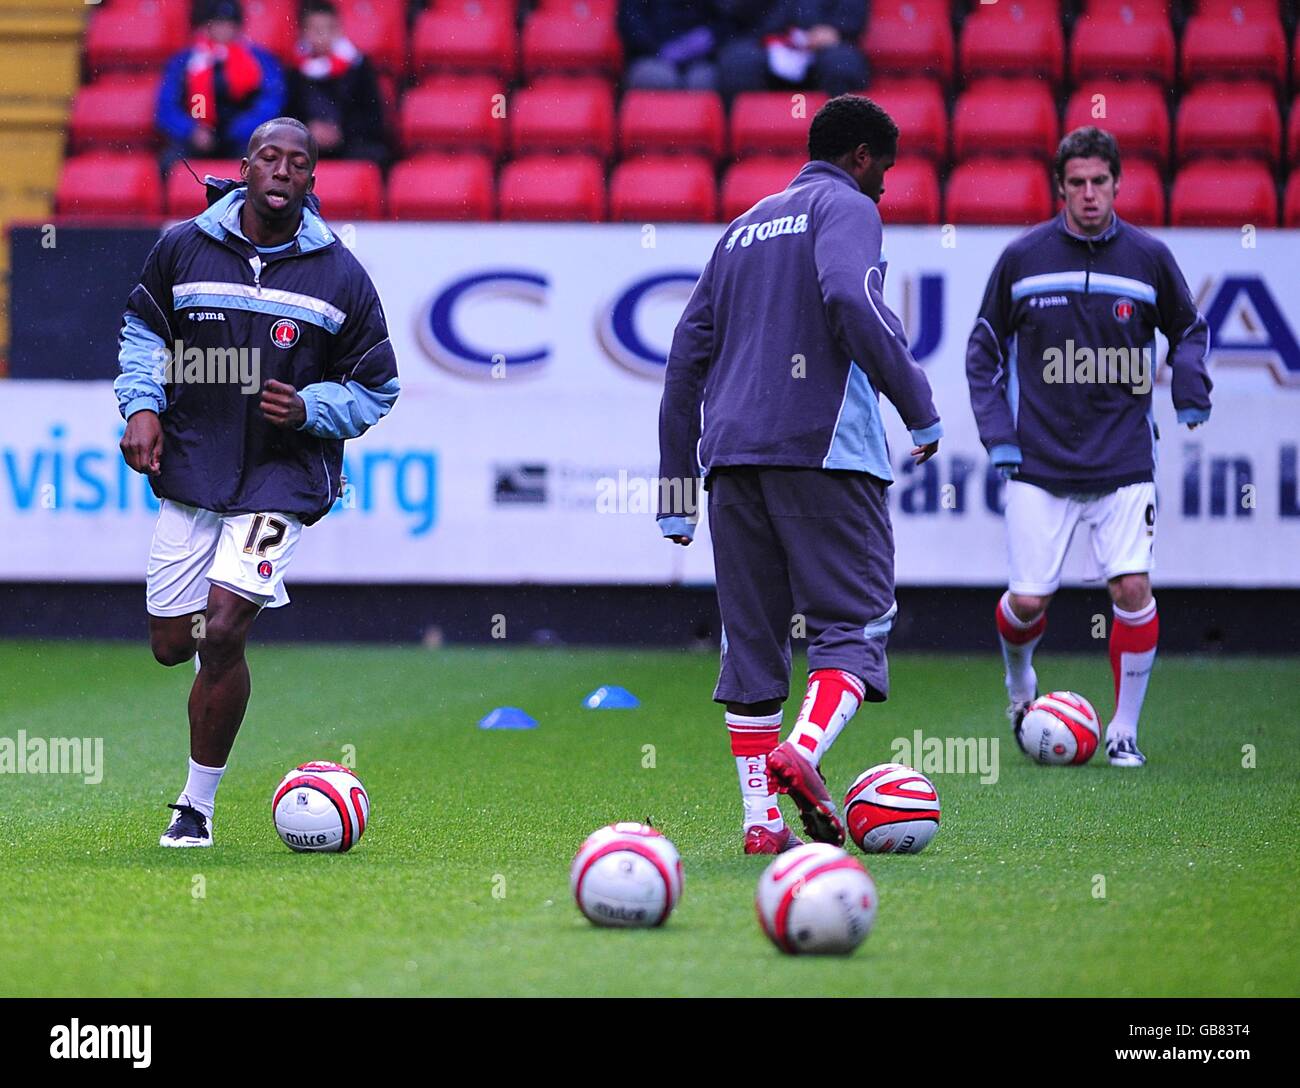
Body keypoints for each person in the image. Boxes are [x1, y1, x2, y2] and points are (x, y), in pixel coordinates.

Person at [657, 95, 942, 854]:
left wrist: (675, 489)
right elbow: (851, 296)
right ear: (859, 156)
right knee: (856, 623)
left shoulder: (742, 225)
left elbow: (685, 359)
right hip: (824, 452)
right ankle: (805, 751)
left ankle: (760, 823)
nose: (885, 183)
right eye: (884, 167)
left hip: (730, 461)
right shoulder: (846, 207)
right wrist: (918, 406)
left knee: (750, 646)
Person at [115, 117, 400, 847]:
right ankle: (201, 756)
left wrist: (313, 408)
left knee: (224, 628)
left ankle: (195, 808)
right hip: (195, 467)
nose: (281, 170)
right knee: (172, 644)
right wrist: (143, 406)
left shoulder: (341, 274)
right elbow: (144, 335)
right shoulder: (183, 247)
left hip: (283, 475)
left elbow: (377, 387)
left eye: (296, 162)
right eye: (268, 157)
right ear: (245, 167)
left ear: (312, 179)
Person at [965, 126, 1212, 768]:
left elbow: (1190, 331)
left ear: (1117, 183)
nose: (1089, 194)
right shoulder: (1023, 259)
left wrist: (1189, 386)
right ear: (1060, 187)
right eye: (1076, 183)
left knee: (1132, 590)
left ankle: (1124, 729)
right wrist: (998, 436)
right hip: (1039, 466)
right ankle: (1020, 681)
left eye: (1099, 181)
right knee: (1027, 602)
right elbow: (982, 352)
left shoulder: (1149, 258)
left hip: (1125, 459)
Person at [156, 0, 286, 171]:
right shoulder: (186, 60)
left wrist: (241, 128)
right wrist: (191, 130)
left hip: (241, 138)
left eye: (229, 24)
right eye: (218, 23)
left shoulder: (258, 59)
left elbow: (272, 101)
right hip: (196, 136)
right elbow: (166, 105)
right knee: (170, 163)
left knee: (258, 164)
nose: (223, 30)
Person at [287, 0, 391, 166]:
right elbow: (287, 114)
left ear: (340, 30)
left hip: (350, 145)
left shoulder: (358, 67)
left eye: (329, 29)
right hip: (306, 146)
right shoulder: (295, 71)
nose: (323, 36)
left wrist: (340, 132)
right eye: (316, 30)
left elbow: (374, 117)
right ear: (303, 32)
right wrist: (307, 129)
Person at [716, 0, 868, 101]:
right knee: (738, 61)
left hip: (823, 47)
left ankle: (838, 141)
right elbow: (736, 13)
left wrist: (836, 30)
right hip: (768, 44)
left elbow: (852, 15)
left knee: (842, 62)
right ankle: (749, 140)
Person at [618, 0, 724, 91]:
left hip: (700, 59)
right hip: (651, 56)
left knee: (702, 80)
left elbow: (724, 19)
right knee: (658, 78)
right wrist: (659, 49)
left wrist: (709, 35)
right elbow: (630, 21)